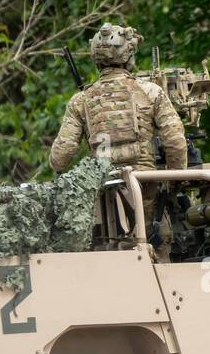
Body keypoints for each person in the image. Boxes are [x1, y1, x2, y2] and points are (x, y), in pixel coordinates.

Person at [49, 23, 188, 246]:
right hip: (147, 189)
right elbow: (176, 142)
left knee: (107, 250)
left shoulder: (81, 100)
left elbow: (60, 157)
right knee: (159, 248)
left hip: (102, 194)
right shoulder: (151, 91)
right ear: (129, 55)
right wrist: (174, 180)